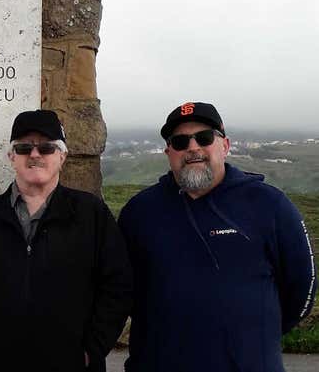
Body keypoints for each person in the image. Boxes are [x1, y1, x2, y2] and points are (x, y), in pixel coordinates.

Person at [118, 101, 317, 372]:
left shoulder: (271, 205)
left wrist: (255, 336)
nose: (193, 148)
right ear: (168, 152)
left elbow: (302, 286)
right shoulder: (139, 212)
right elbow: (120, 289)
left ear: (225, 145)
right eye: (180, 142)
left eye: (204, 137)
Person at [0, 109, 132, 372]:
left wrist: (91, 351)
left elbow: (117, 287)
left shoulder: (92, 215)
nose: (34, 154)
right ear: (12, 157)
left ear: (62, 156)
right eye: (23, 148)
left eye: (46, 147)